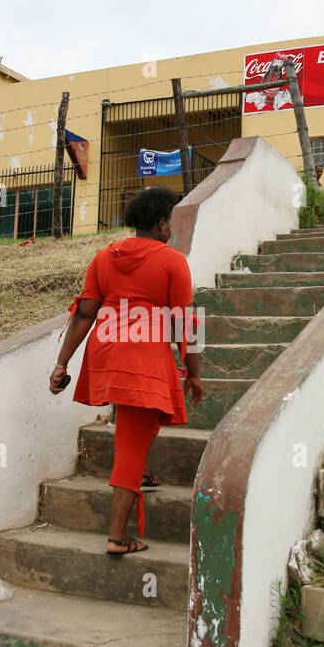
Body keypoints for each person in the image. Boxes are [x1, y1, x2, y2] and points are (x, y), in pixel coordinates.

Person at [49, 187, 202, 555]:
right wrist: (193, 372)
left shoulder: (104, 257)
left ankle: (140, 473)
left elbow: (84, 313)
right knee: (132, 442)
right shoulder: (172, 262)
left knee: (136, 420)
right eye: (171, 220)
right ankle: (117, 536)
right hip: (143, 357)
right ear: (162, 221)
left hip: (106, 352)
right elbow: (185, 323)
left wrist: (61, 363)